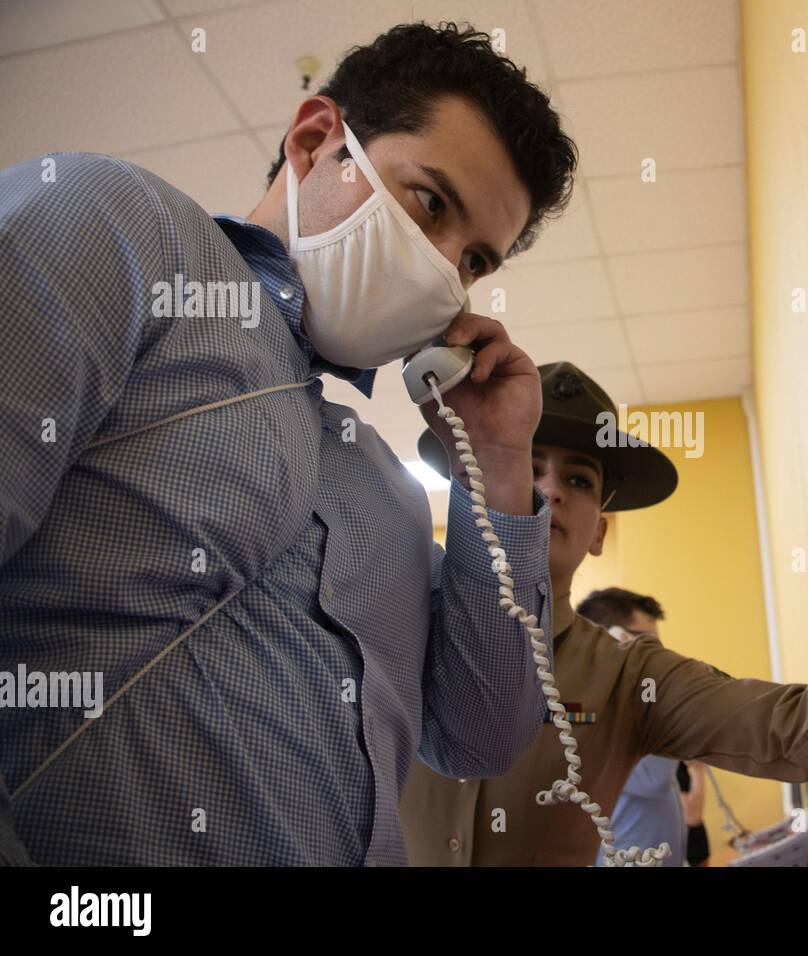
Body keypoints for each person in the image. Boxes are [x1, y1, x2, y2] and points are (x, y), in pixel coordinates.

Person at [0, 23, 578, 865]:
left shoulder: (389, 494)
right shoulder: (117, 226)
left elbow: (478, 738)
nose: (446, 270)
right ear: (315, 143)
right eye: (431, 204)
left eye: (475, 258)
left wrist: (494, 466)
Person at [399, 362, 808, 866]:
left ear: (599, 533)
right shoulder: (393, 618)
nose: (550, 489)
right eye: (528, 466)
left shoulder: (629, 677)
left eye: (577, 479)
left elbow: (798, 736)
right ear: (476, 487)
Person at [576, 588, 687, 867]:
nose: (658, 656)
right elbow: (653, 779)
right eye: (649, 644)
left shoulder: (631, 702)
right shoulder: (589, 713)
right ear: (611, 637)